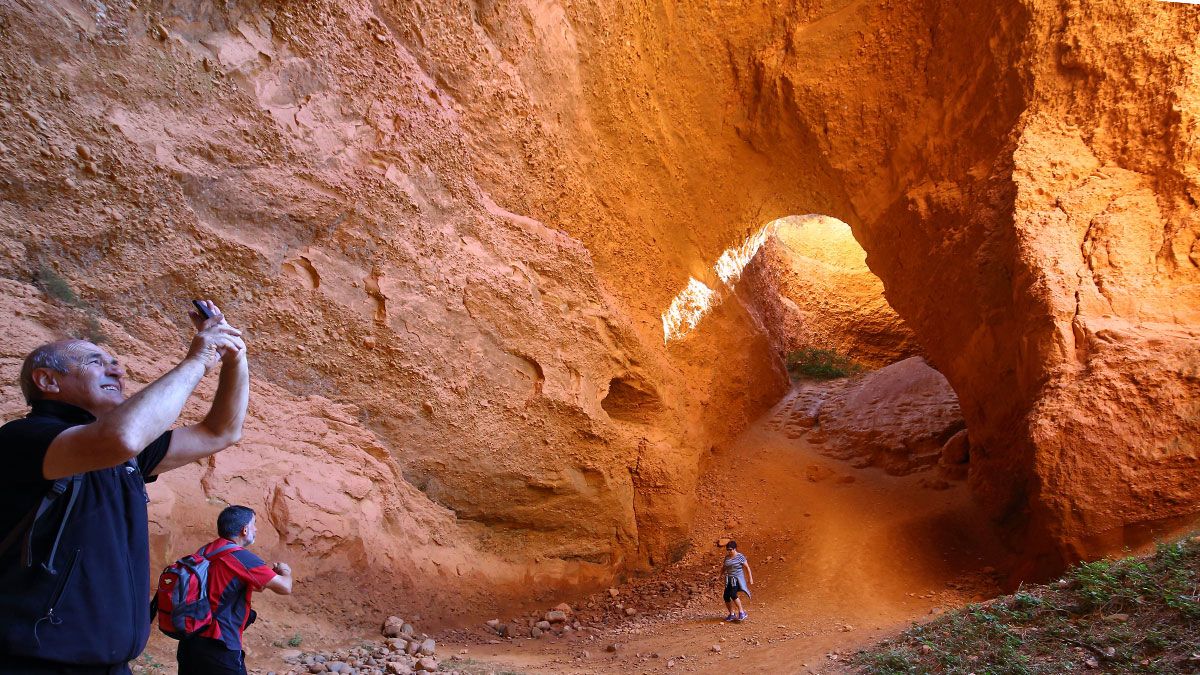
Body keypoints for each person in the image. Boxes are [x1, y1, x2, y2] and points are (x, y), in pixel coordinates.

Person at [0, 300, 249, 674]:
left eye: (114, 361)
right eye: (95, 361)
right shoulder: (25, 438)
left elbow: (221, 432)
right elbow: (123, 435)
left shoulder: (126, 457)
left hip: (112, 664)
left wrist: (234, 356)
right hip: (34, 662)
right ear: (48, 380)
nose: (117, 368)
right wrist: (198, 360)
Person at [175, 505, 293, 675]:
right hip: (220, 644)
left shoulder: (205, 551)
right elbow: (285, 587)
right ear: (245, 530)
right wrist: (286, 572)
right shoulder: (242, 558)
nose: (256, 529)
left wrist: (267, 577)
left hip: (189, 643)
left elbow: (247, 585)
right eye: (254, 524)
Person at [720, 540, 753, 622]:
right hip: (729, 579)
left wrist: (750, 578)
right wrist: (719, 575)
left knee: (733, 594)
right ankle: (731, 614)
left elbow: (747, 567)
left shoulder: (740, 556)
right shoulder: (727, 557)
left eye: (731, 549)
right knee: (726, 596)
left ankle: (742, 612)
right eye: (728, 549)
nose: (729, 551)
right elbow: (724, 567)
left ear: (735, 549)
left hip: (737, 578)